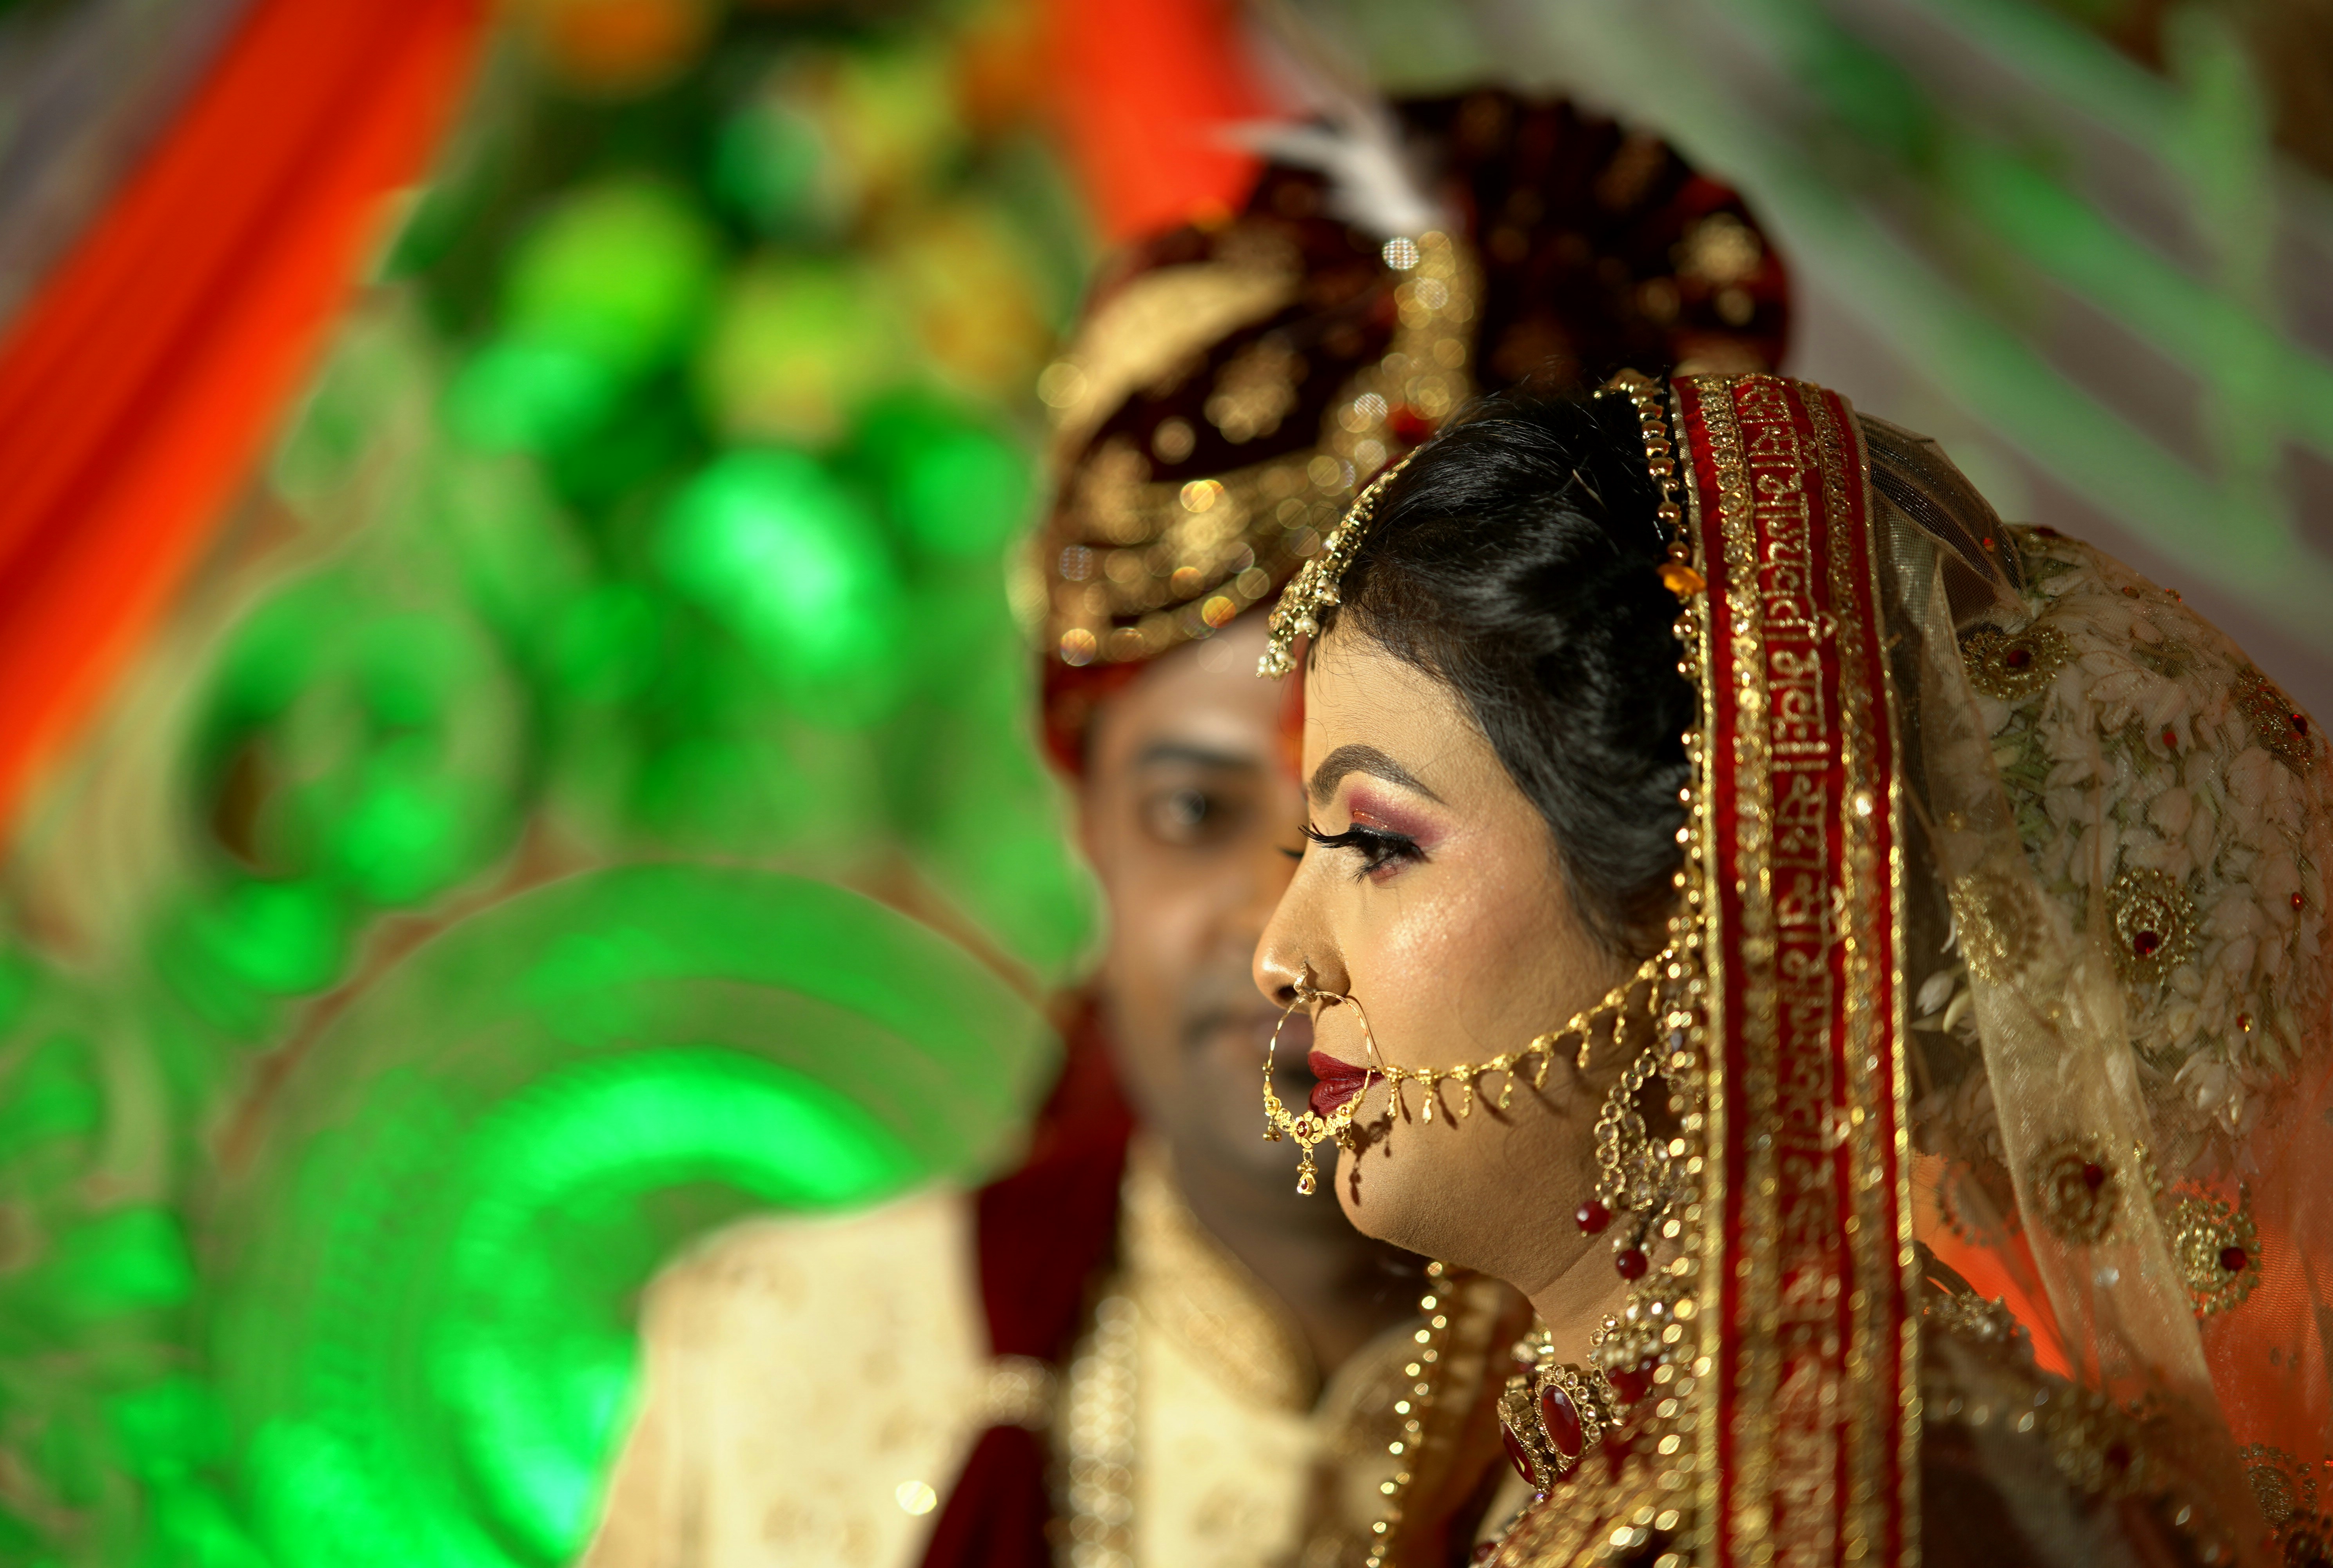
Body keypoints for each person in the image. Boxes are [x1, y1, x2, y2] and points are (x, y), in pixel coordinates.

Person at [584, 94, 1790, 1568]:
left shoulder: (1761, 1466)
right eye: (1195, 812)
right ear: (1080, 822)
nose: (1278, 928)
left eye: (1387, 834)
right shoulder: (779, 1377)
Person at [1251, 374, 2328, 1566]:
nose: (1279, 959)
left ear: (1711, 896)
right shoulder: (1572, 1482)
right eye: (1308, 849)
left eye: (1378, 845)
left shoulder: (1898, 1509)